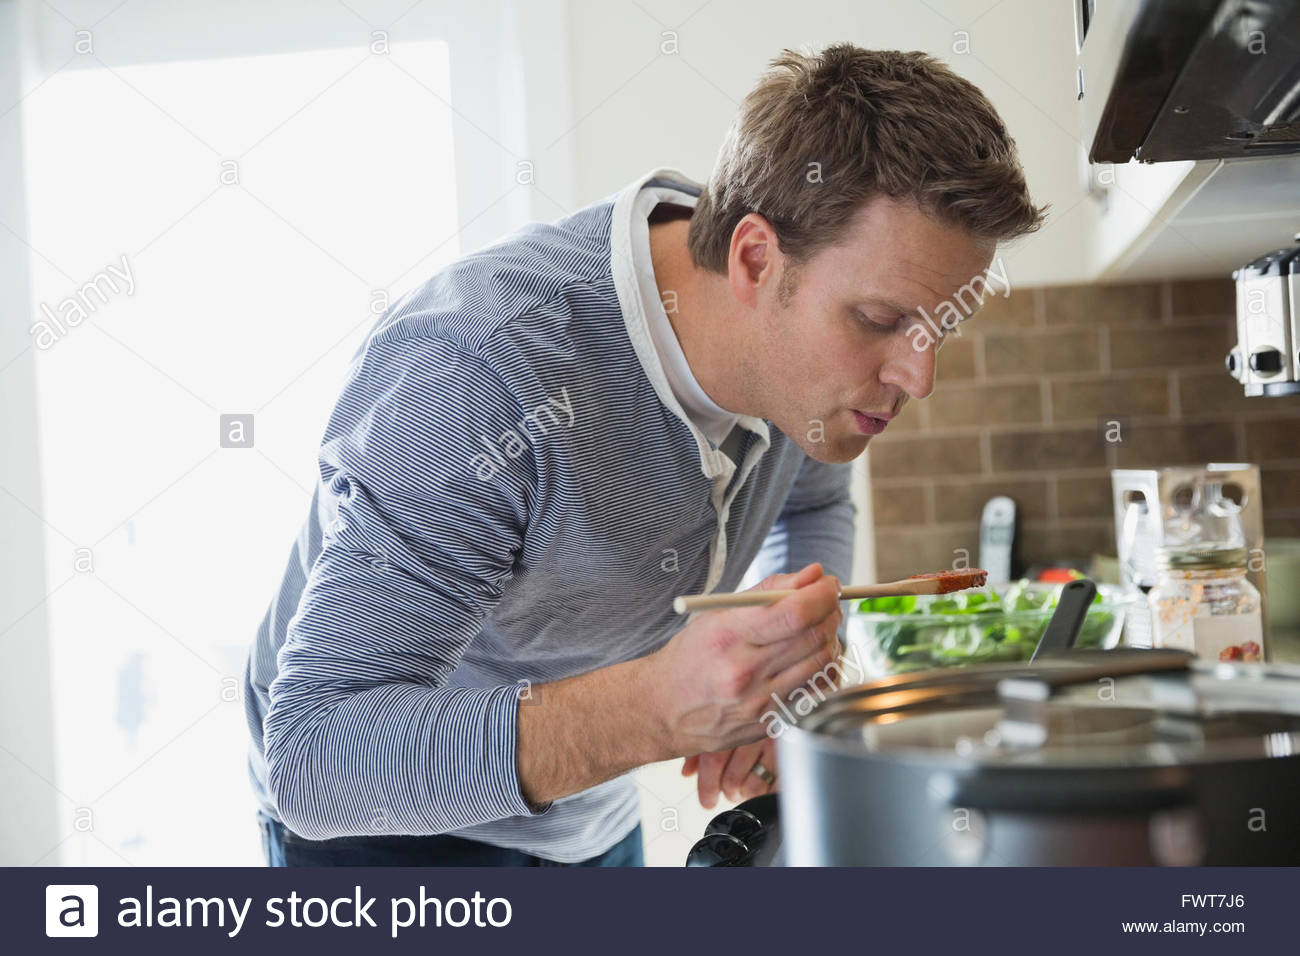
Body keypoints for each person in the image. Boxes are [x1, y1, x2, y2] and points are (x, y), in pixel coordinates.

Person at [244, 43, 1044, 867]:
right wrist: (659, 709)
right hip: (380, 840)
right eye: (881, 319)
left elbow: (810, 500)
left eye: (941, 325)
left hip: (590, 805)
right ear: (755, 259)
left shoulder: (808, 379)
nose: (921, 375)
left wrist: (786, 655)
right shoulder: (475, 372)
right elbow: (314, 758)